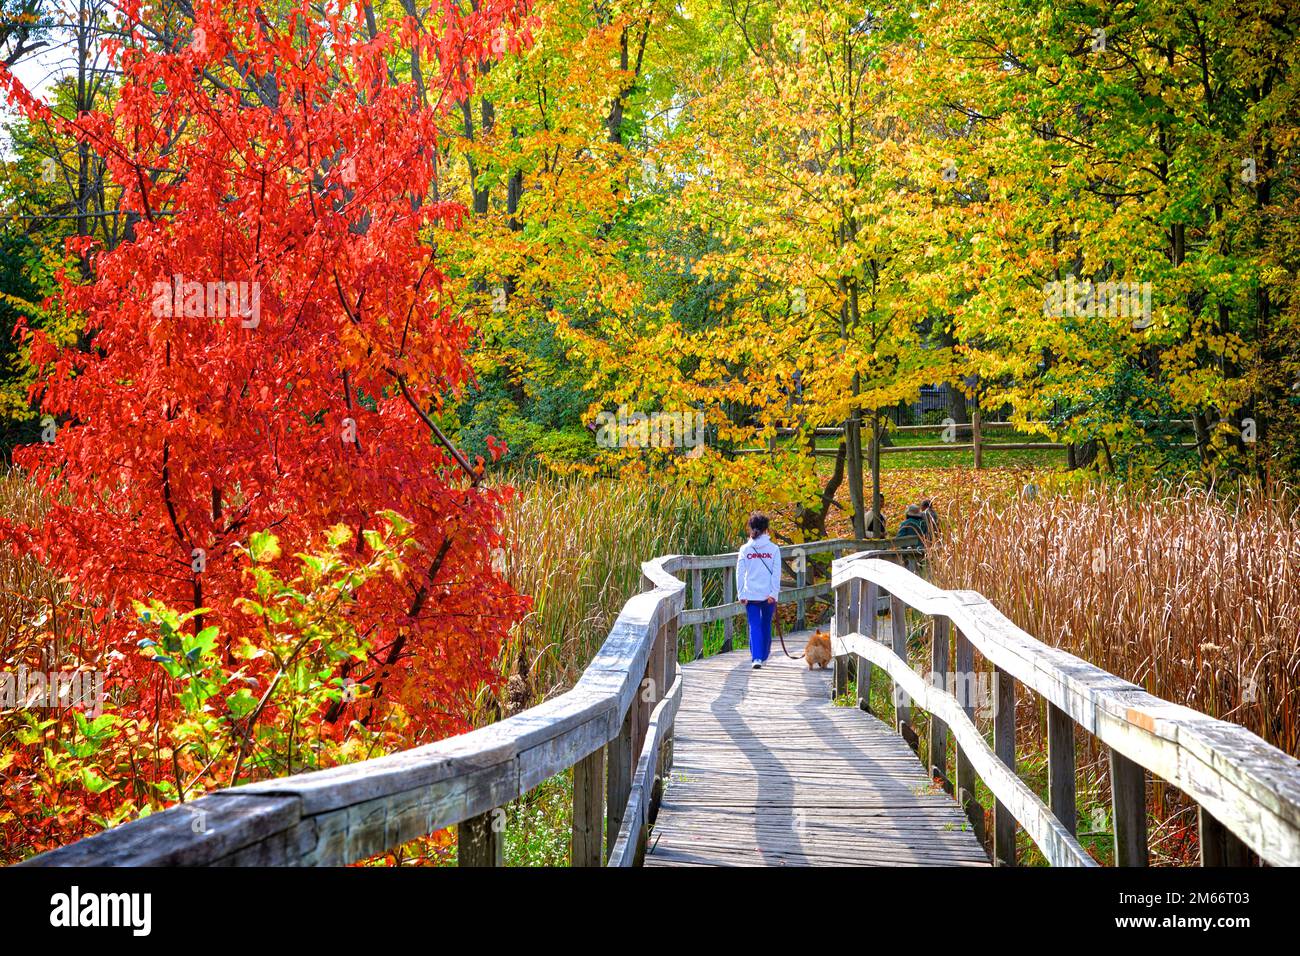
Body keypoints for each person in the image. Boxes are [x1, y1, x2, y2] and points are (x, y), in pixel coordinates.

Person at [735, 512, 780, 670]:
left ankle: (757, 657)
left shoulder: (745, 549)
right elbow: (776, 574)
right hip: (768, 594)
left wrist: (741, 593)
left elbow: (740, 573)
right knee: (766, 624)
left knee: (754, 625)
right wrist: (773, 594)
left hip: (751, 594)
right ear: (766, 529)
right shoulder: (774, 549)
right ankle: (764, 655)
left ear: (751, 528)